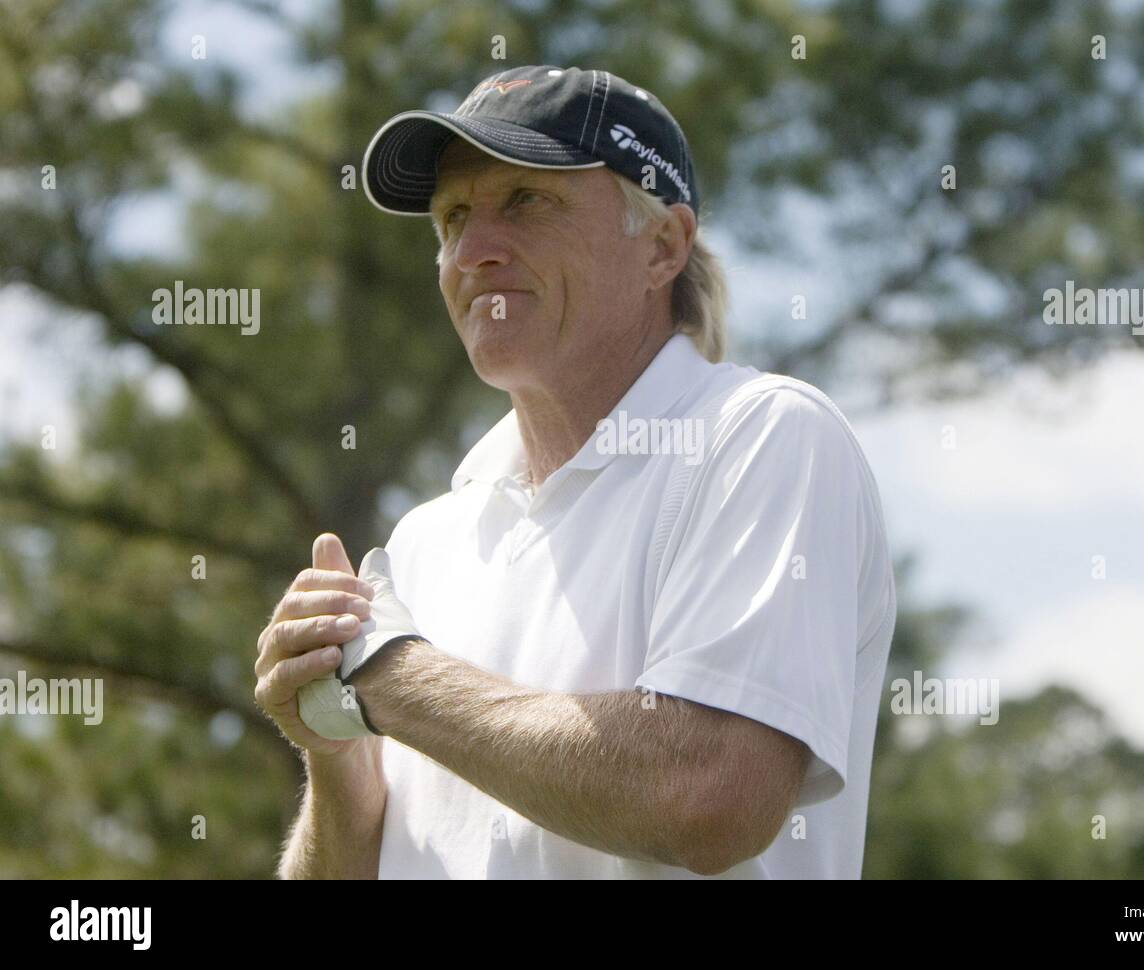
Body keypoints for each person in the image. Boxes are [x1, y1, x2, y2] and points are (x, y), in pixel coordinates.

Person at [254, 65, 896, 879]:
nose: (474, 253)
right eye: (453, 217)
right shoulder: (425, 543)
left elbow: (710, 795)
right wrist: (337, 750)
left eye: (527, 201)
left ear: (663, 245)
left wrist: (390, 676)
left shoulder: (763, 438)